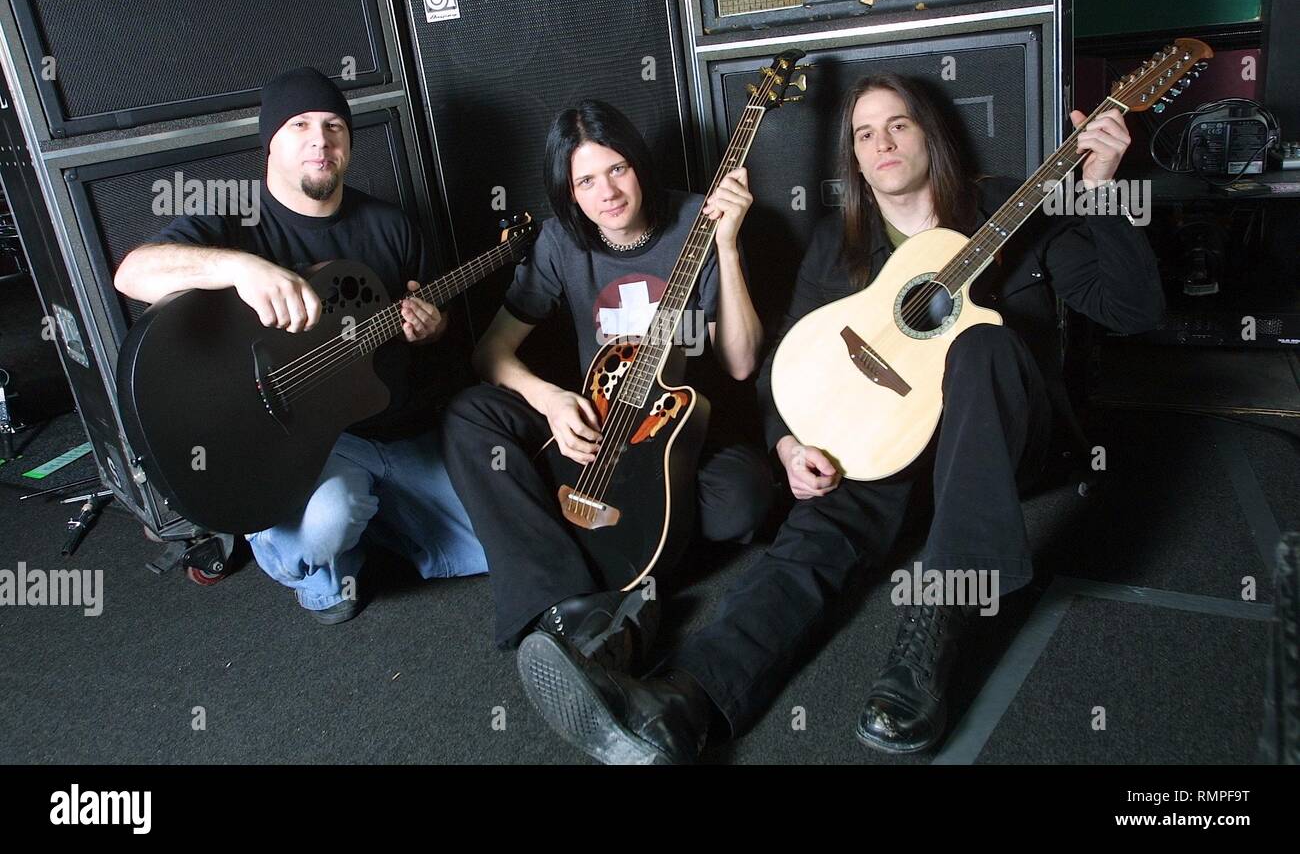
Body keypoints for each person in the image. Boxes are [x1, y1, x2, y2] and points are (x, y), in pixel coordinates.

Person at [518, 72, 1166, 763]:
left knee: (982, 341)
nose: (881, 142)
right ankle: (679, 706)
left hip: (1001, 446)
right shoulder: (839, 242)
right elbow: (783, 361)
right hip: (884, 443)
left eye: (898, 125)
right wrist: (788, 444)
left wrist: (1099, 188)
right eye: (864, 133)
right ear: (853, 159)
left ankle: (930, 636)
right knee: (813, 540)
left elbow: (1135, 311)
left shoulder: (1014, 207)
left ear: (931, 135)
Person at [114, 67, 486, 624]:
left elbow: (433, 336)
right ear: (271, 142)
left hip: (389, 423)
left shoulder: (390, 225)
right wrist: (239, 268)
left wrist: (431, 328)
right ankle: (299, 544)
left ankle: (375, 521)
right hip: (293, 442)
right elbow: (132, 273)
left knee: (490, 543)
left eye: (334, 125)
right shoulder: (231, 218)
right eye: (300, 125)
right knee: (327, 521)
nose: (321, 139)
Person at [440, 99, 774, 669]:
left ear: (638, 164)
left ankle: (582, 550)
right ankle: (566, 601)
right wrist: (549, 400)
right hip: (593, 422)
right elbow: (489, 351)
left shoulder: (700, 218)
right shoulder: (559, 242)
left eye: (617, 168)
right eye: (586, 180)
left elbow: (740, 362)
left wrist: (728, 245)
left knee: (743, 500)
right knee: (470, 415)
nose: (608, 193)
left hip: (675, 433)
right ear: (570, 192)